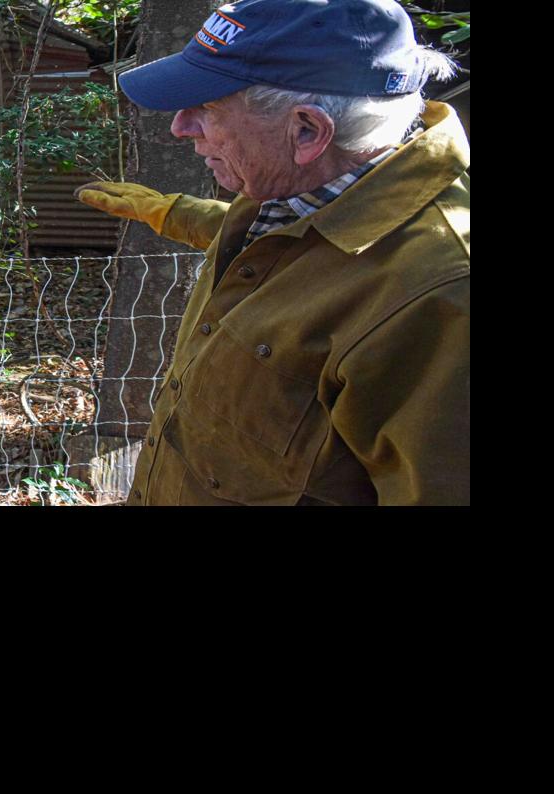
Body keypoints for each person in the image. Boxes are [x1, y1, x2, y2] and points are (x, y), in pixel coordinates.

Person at [76, 0, 469, 505]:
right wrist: (175, 214)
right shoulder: (298, 191)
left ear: (307, 130)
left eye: (208, 107)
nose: (181, 127)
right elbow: (304, 252)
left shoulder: (440, 299)